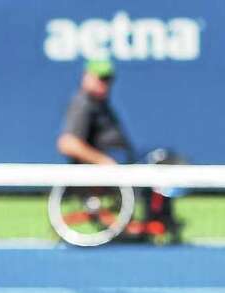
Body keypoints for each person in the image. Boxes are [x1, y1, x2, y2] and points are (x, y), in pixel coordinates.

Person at [56, 59, 176, 234]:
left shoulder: (99, 105)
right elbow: (67, 143)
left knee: (162, 158)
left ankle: (159, 219)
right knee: (154, 163)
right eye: (100, 78)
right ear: (86, 77)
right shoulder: (82, 104)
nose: (105, 84)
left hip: (125, 159)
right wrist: (102, 161)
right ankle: (154, 223)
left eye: (108, 79)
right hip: (111, 164)